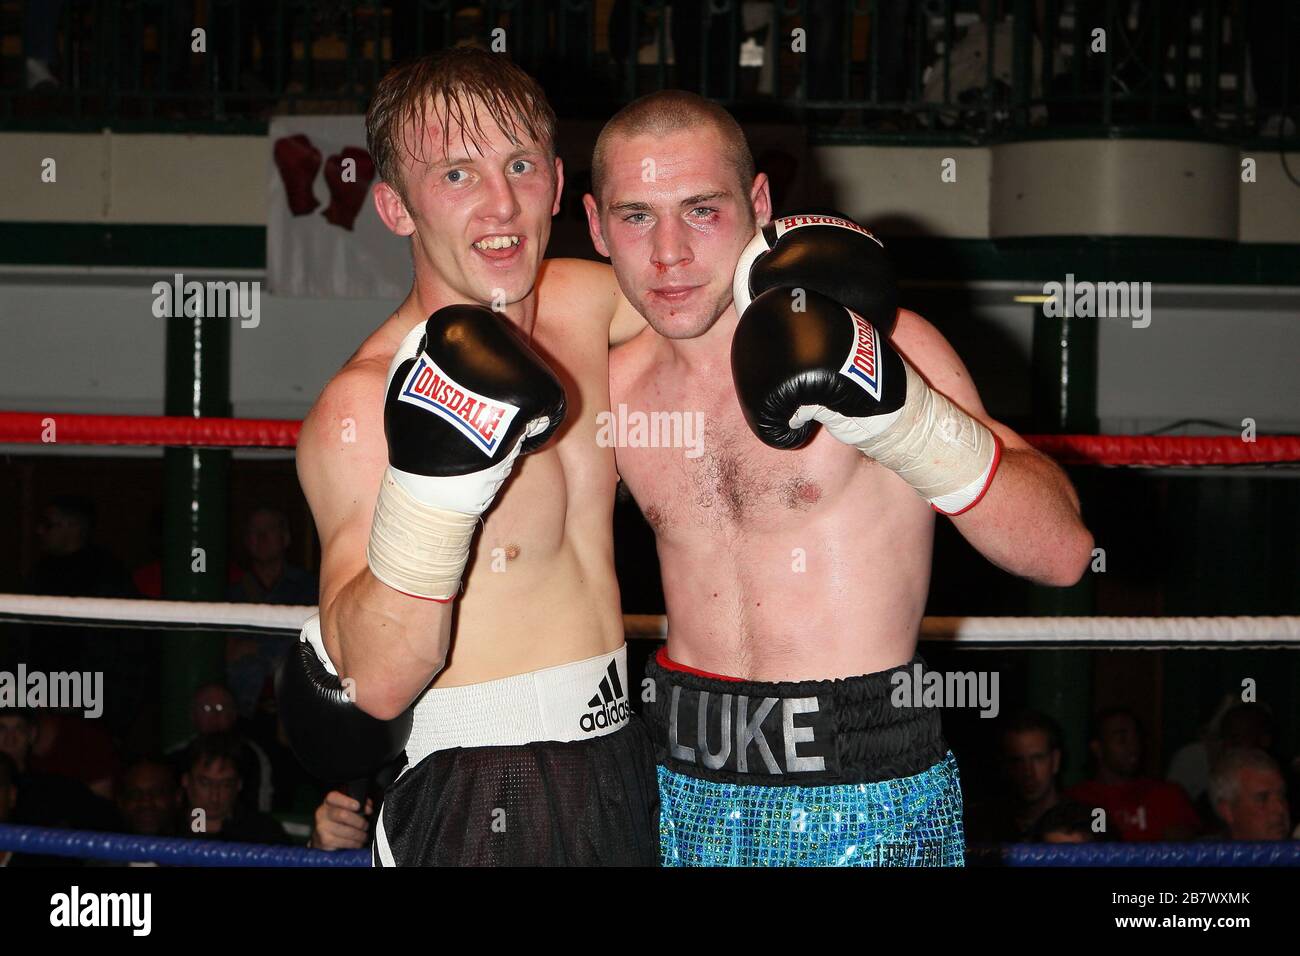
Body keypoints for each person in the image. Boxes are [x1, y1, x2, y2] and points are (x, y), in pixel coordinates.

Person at [583, 89, 1094, 866]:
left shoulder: (884, 340)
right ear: (595, 226)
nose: (669, 253)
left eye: (701, 209)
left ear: (759, 203)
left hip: (866, 789)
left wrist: (907, 420)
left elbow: (1059, 553)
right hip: (679, 786)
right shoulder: (609, 388)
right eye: (636, 216)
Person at [283, 47, 657, 866]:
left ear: (558, 184)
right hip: (478, 785)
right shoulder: (361, 407)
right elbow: (376, 682)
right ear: (395, 207)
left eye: (519, 165)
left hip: (621, 762)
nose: (501, 204)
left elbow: (718, 292)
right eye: (456, 175)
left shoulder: (585, 301)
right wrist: (434, 488)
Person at [1067, 708, 1202, 842]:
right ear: (1097, 748)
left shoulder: (1168, 795)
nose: (1133, 746)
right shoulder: (1078, 800)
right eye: (1122, 739)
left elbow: (1187, 850)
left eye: (1136, 737)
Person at [181, 733, 289, 844]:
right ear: (186, 780)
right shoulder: (168, 830)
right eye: (205, 783)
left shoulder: (265, 834)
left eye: (225, 784)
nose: (214, 796)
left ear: (239, 784)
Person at [1207, 748, 1291, 842]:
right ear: (1227, 811)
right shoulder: (1204, 855)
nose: (1280, 808)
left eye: (1281, 795)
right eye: (1262, 798)